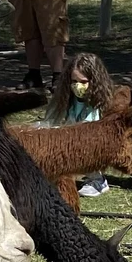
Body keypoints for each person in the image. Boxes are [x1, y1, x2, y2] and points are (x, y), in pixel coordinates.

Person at [43, 50, 115, 196]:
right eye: (74, 81)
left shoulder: (103, 104)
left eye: (83, 82)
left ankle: (97, 180)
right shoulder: (66, 100)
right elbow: (51, 122)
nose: (78, 86)